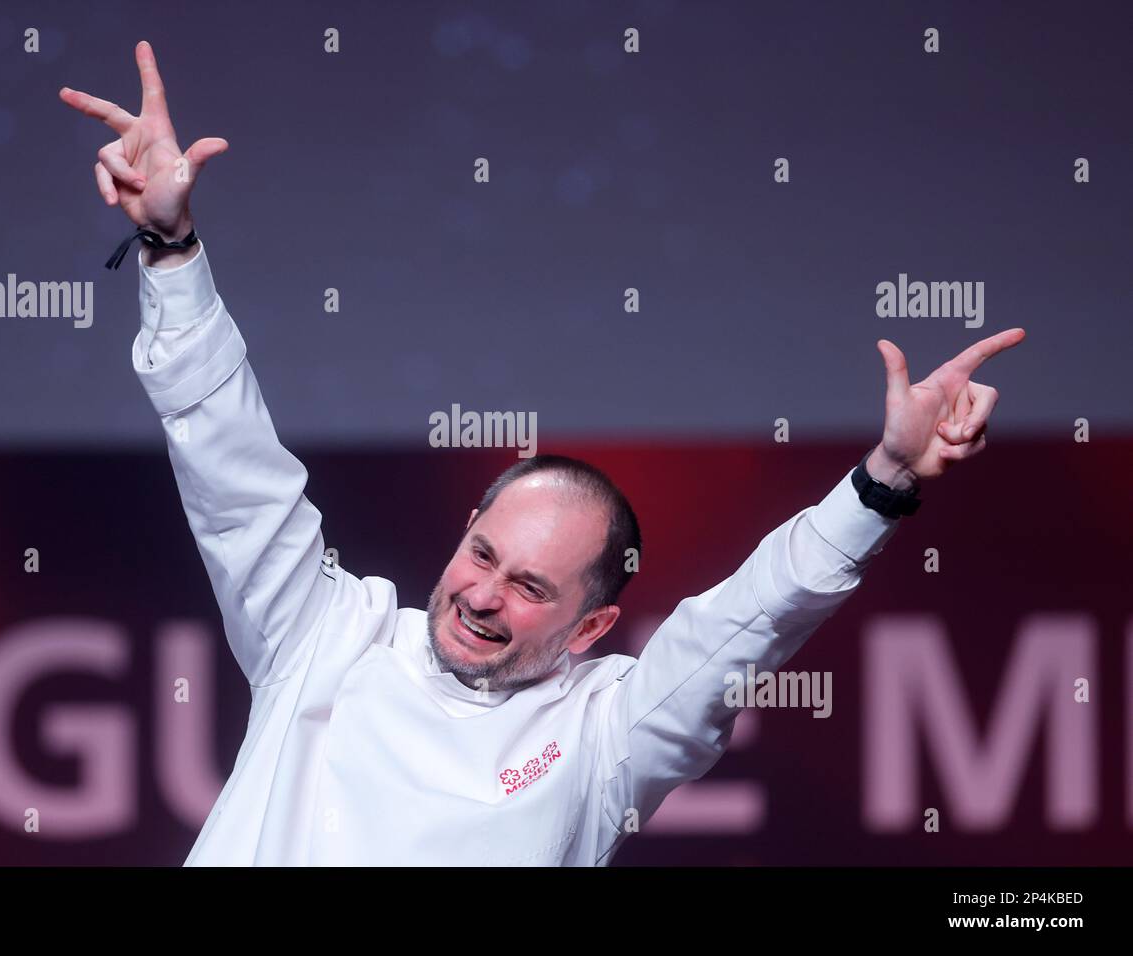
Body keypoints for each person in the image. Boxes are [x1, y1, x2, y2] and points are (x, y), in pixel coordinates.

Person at [60, 42, 1025, 866]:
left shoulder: (606, 738)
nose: (482, 595)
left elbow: (749, 620)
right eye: (483, 555)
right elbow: (234, 474)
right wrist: (172, 251)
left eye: (532, 587)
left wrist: (886, 479)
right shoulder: (328, 634)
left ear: (593, 628)